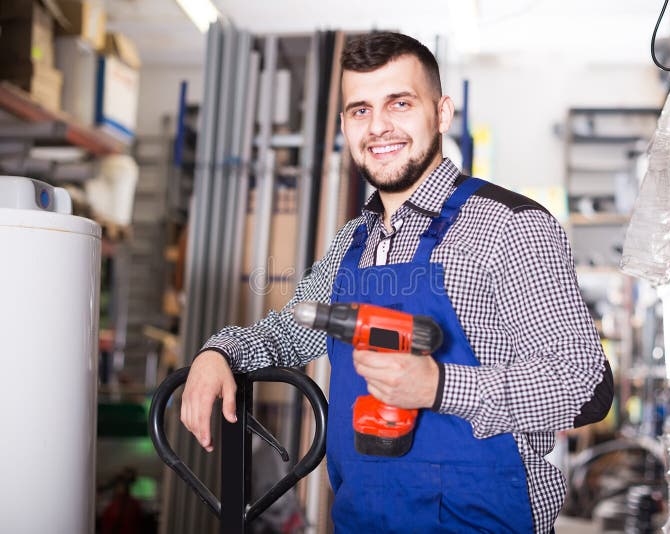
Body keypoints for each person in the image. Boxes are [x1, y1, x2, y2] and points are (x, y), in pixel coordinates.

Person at [181, 32, 612, 533]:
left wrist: (441, 386)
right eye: (360, 110)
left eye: (400, 103)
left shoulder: (508, 225)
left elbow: (586, 385)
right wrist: (220, 354)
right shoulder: (352, 242)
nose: (379, 126)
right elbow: (291, 332)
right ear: (344, 124)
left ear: (442, 112)